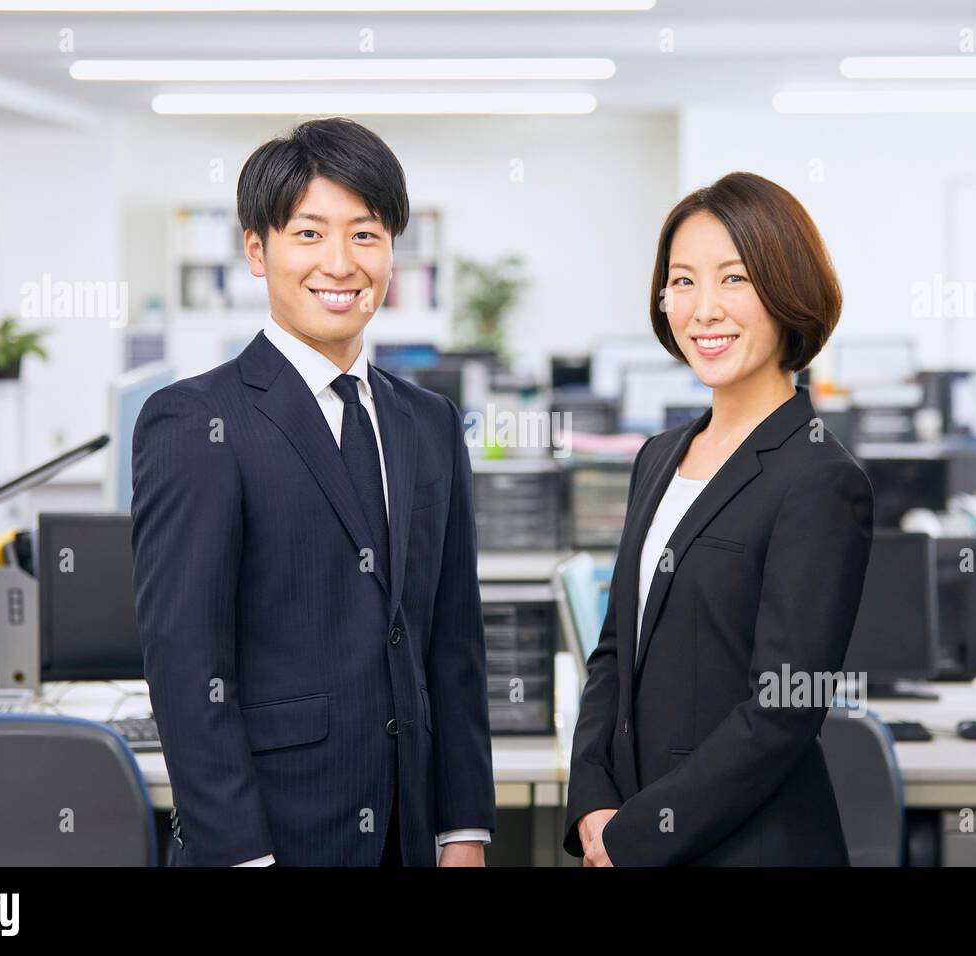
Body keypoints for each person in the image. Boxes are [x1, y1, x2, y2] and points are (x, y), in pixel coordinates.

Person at [131, 118, 495, 867]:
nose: (340, 262)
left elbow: (453, 642)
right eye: (308, 234)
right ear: (256, 250)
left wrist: (463, 830)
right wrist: (242, 857)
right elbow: (186, 664)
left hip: (408, 835)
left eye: (365, 235)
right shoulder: (195, 420)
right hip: (273, 839)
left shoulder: (429, 422)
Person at [564, 172, 874, 866]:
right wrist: (591, 799)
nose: (703, 310)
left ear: (788, 289)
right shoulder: (659, 455)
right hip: (626, 833)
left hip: (748, 848)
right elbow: (614, 649)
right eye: (682, 281)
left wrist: (636, 835)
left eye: (734, 279)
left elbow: (783, 710)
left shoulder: (820, 478)